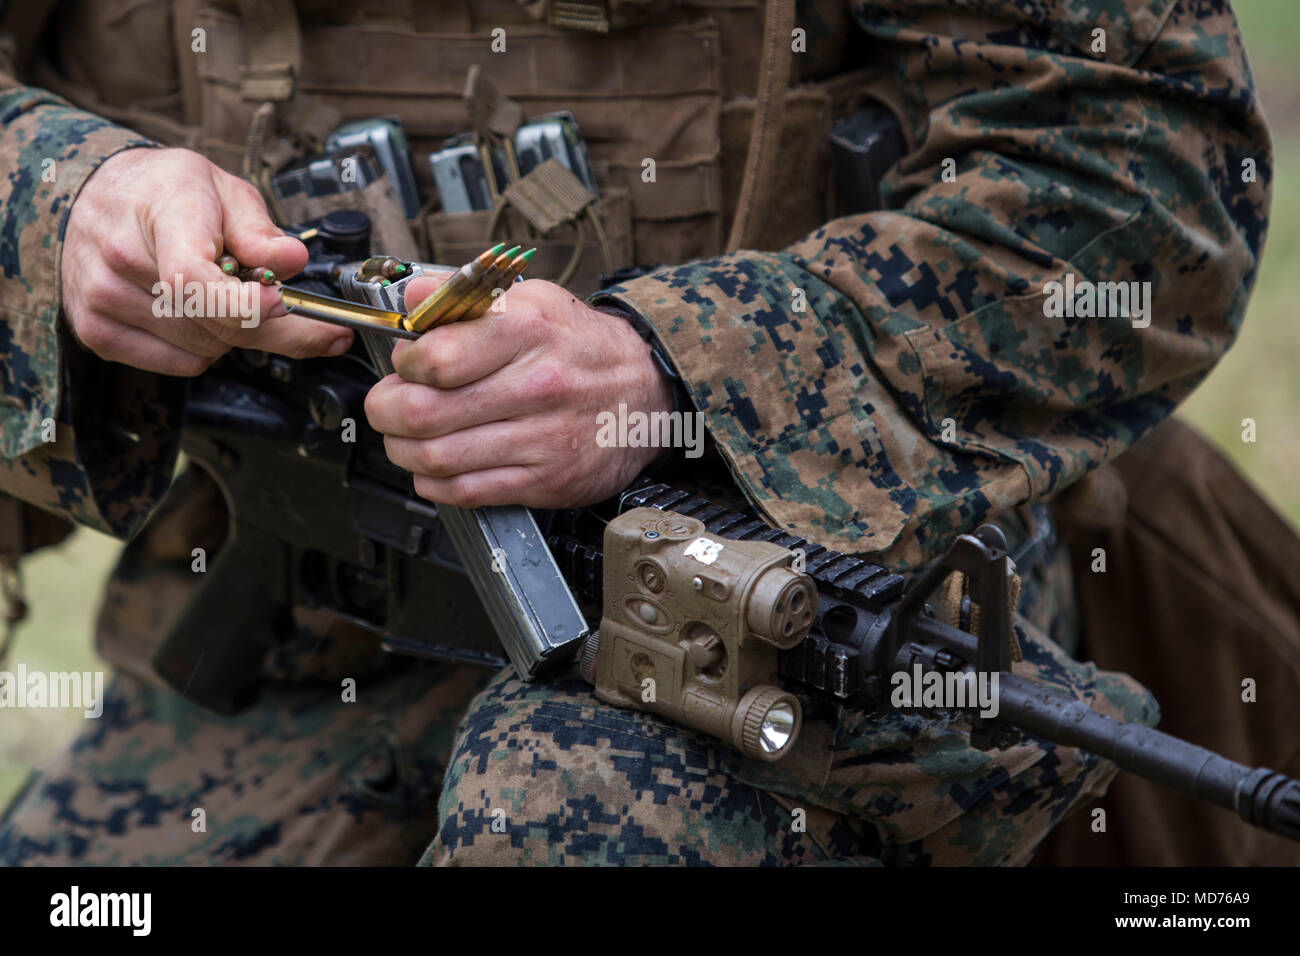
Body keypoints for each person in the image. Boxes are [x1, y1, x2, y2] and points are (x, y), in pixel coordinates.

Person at [0, 0, 1271, 865]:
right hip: (311, 607)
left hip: (802, 566)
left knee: (564, 822)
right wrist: (65, 198)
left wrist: (673, 362)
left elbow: (1140, 159)